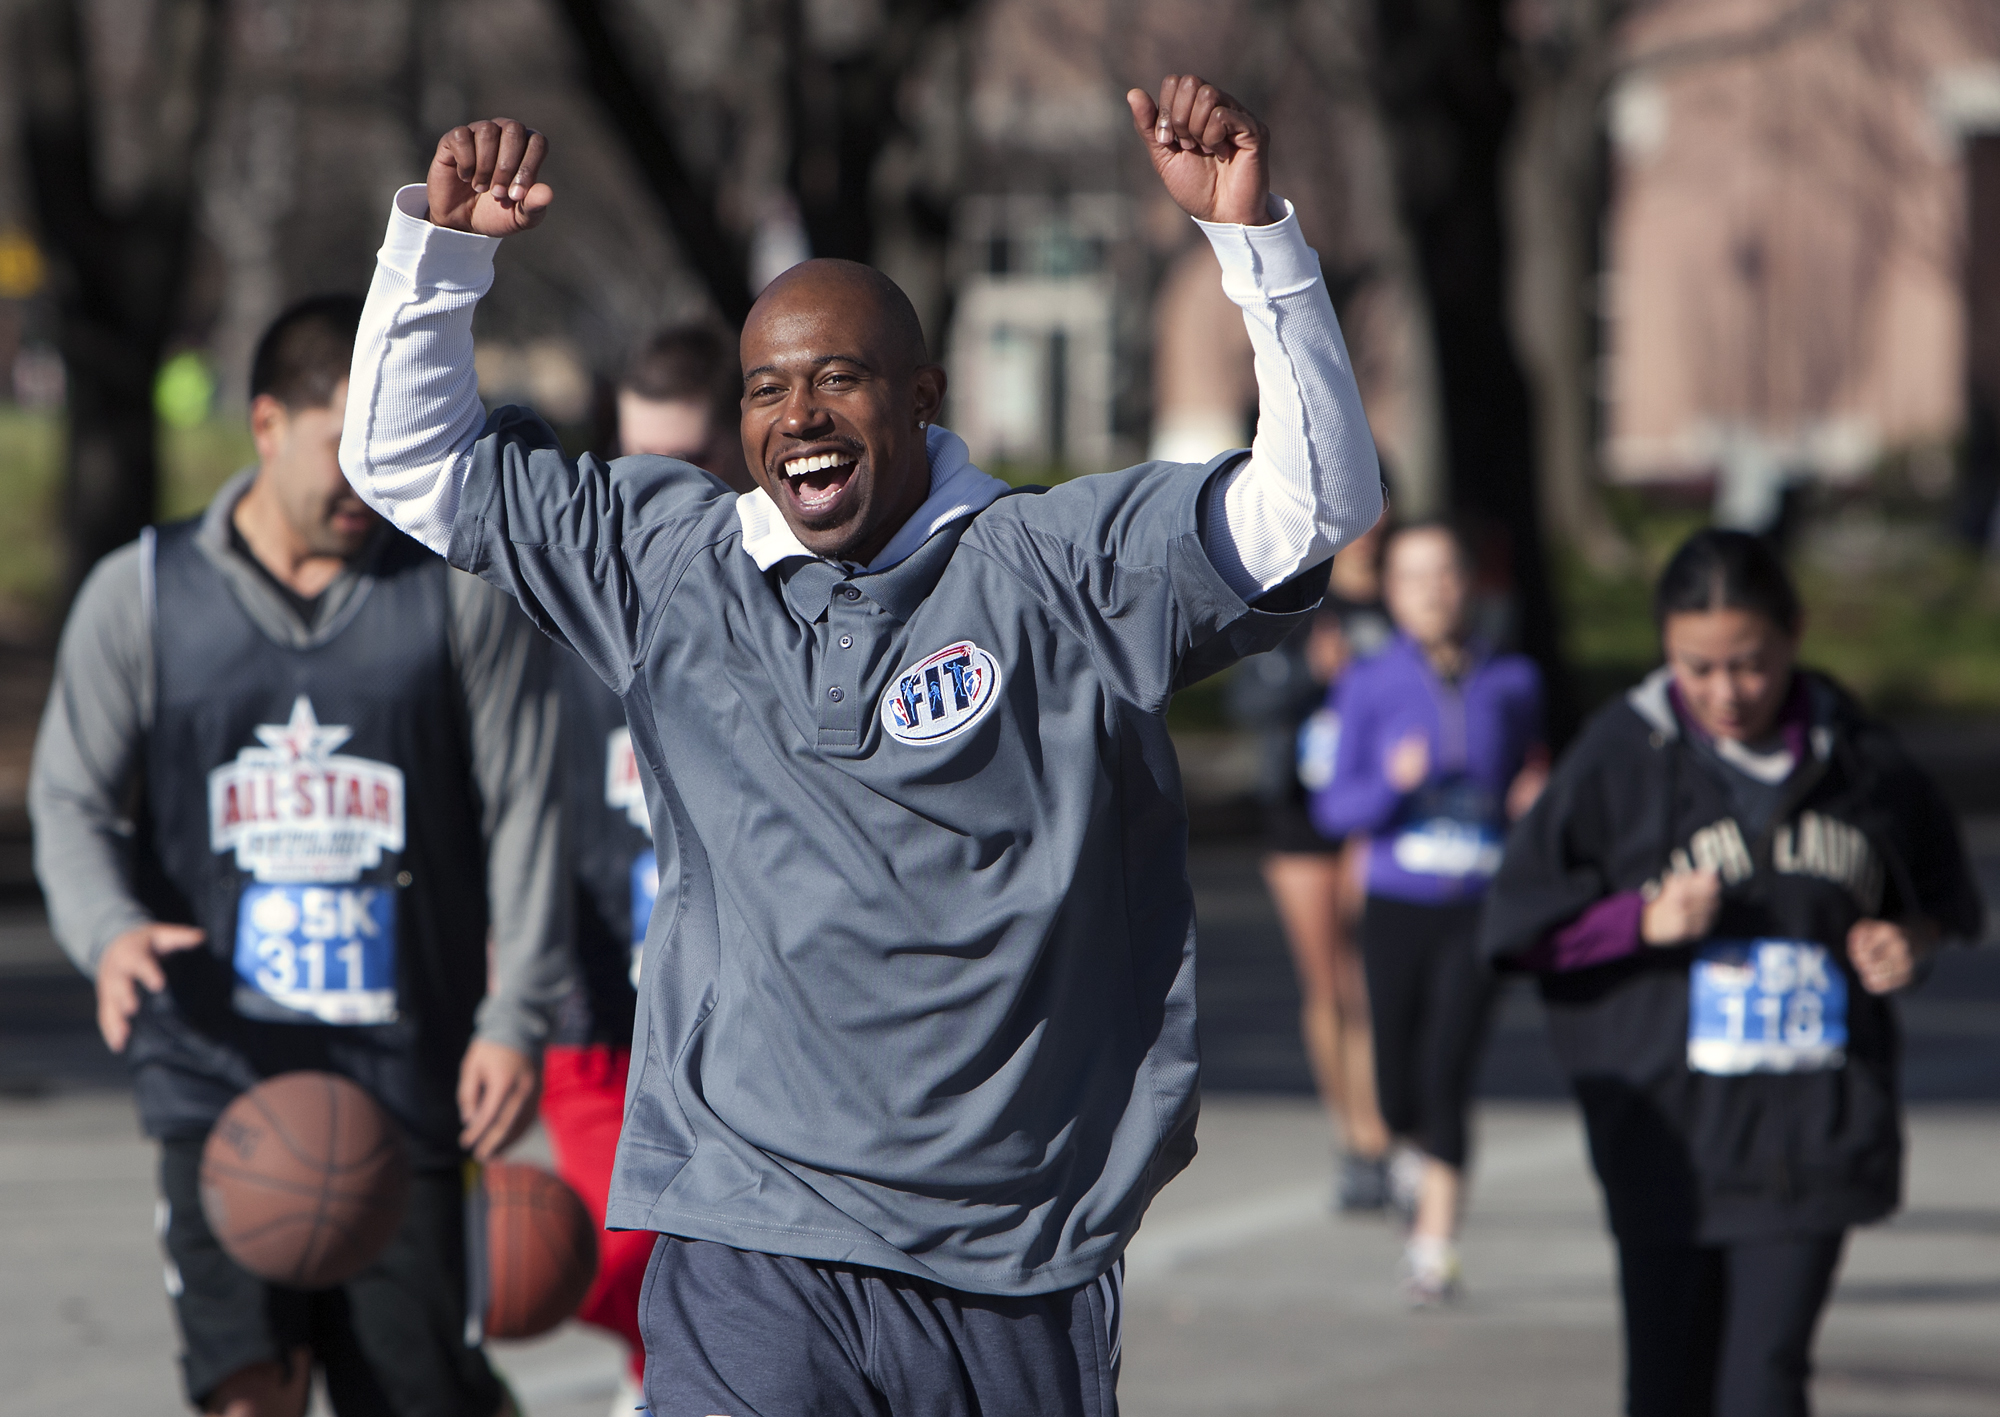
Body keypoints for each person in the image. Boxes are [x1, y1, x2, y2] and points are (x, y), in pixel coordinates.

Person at [340, 75, 1381, 1414]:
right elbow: (407, 465)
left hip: (1007, 1248)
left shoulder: (1057, 565)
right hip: (745, 1229)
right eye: (767, 389)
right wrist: (443, 252)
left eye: (838, 378)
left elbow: (1314, 508)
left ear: (922, 394)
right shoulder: (670, 563)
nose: (800, 416)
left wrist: (1255, 245)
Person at [29, 295, 568, 1417]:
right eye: (338, 450)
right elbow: (70, 797)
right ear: (266, 425)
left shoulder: (455, 592)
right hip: (217, 1076)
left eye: (382, 455)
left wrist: (514, 1015)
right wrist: (109, 929)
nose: (361, 485)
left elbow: (525, 804)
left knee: (412, 1394)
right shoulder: (141, 593)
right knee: (245, 1390)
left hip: (408, 1073)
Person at [1481, 529, 1981, 1417]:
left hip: (1813, 1128)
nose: (1724, 692)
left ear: (1794, 633)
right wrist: (1640, 919)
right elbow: (1519, 929)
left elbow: (1942, 892)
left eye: (1749, 664)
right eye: (1696, 667)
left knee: (1763, 1384)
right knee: (1667, 1391)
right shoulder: (1619, 755)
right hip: (1671, 1138)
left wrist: (1913, 938)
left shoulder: (1862, 756)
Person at [539, 324, 755, 1409]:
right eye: (630, 466)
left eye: (682, 467)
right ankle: (654, 1372)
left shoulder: (805, 611)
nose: (648, 497)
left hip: (740, 1019)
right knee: (586, 1259)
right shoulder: (571, 599)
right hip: (597, 1013)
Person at [1310, 521, 1545, 1306]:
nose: (1433, 591)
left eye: (1446, 574)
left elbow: (1531, 780)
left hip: (1477, 905)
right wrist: (1393, 785)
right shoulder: (1368, 681)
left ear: (1470, 583)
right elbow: (1335, 805)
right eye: (1413, 577)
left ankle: (1433, 1248)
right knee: (1400, 1086)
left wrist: (1529, 808)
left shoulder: (1513, 681)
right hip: (1396, 898)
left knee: (1449, 1073)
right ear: (1390, 591)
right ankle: (1407, 1156)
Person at [1228, 518, 1392, 1208]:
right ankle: (1353, 1138)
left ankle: (1387, 1133)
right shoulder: (1294, 598)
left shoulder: (1399, 606)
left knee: (1371, 980)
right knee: (1326, 983)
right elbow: (1247, 699)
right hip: (1299, 813)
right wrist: (1310, 678)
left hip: (1379, 812)